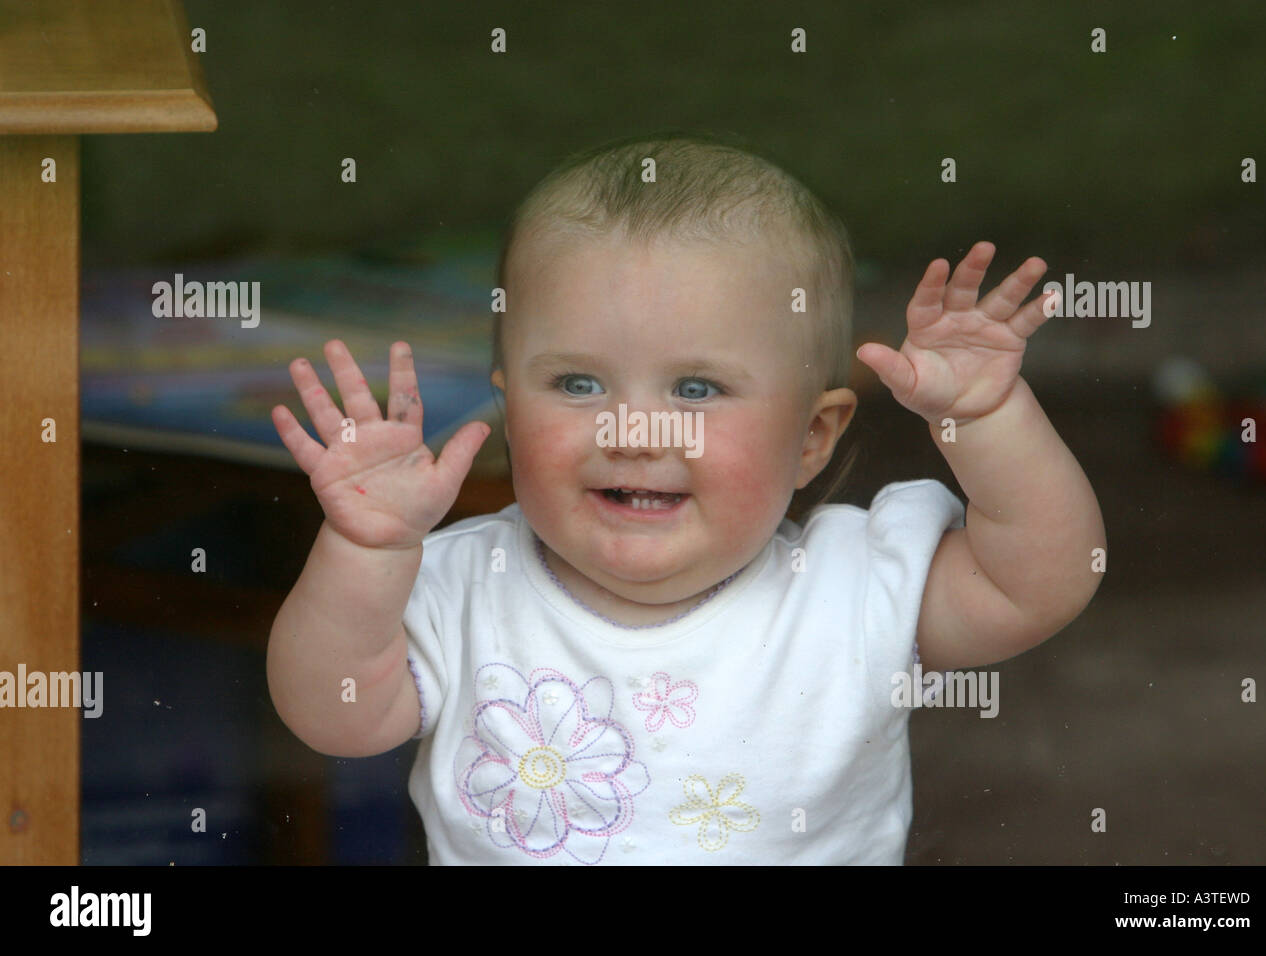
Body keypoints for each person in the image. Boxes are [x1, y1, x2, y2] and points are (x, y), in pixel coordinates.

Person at [266, 133, 1105, 864]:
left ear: (812, 437)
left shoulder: (850, 588)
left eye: (697, 388)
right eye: (578, 382)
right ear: (511, 417)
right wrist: (368, 549)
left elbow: (1038, 580)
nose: (634, 431)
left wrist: (986, 418)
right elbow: (333, 717)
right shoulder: (458, 586)